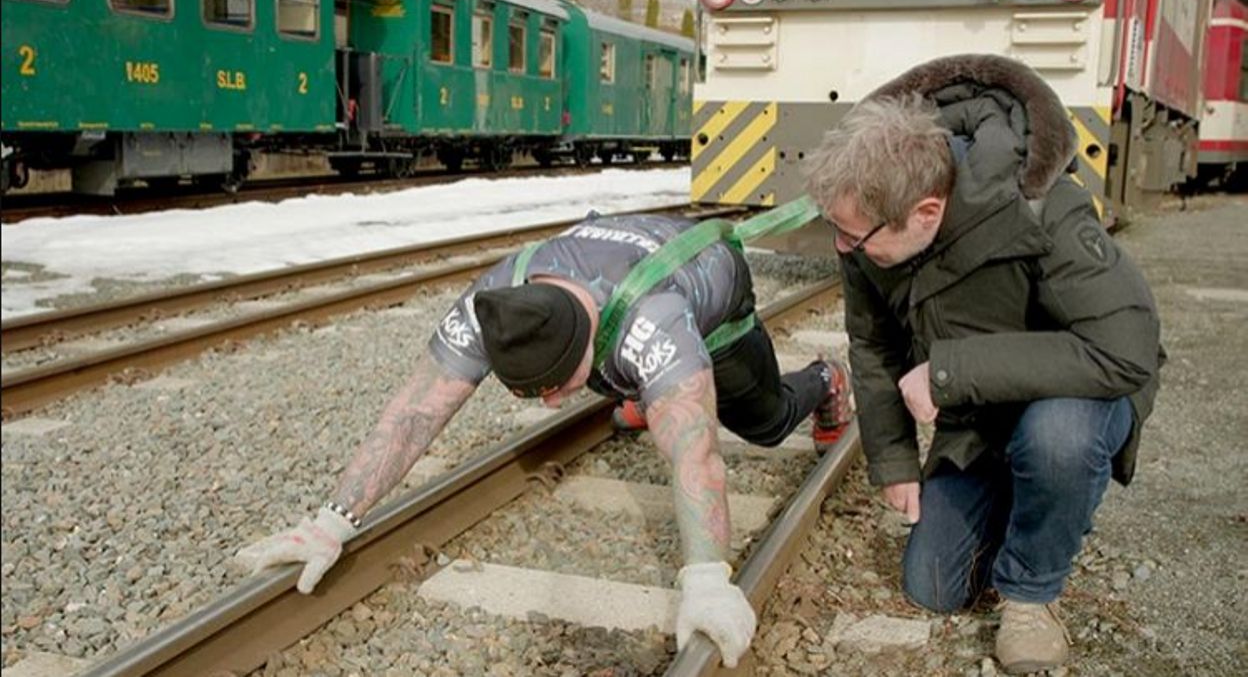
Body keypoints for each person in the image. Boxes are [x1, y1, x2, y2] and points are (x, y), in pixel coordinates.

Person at [234, 211, 853, 667]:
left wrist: (706, 579)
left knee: (763, 423)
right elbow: (413, 413)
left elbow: (698, 454)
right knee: (642, 395)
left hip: (705, 284)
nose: (556, 405)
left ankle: (827, 381)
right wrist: (332, 521)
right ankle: (644, 394)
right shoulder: (494, 301)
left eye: (561, 387)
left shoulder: (654, 325)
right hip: (612, 273)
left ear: (591, 344)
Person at [803, 54, 1163, 674]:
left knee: (1055, 440)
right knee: (932, 587)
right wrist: (894, 460)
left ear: (926, 214)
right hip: (979, 419)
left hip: (1074, 399)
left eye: (853, 239)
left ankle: (1031, 594)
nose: (842, 248)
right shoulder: (866, 222)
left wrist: (950, 373)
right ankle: (1033, 496)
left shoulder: (1043, 205)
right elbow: (875, 346)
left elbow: (1124, 351)